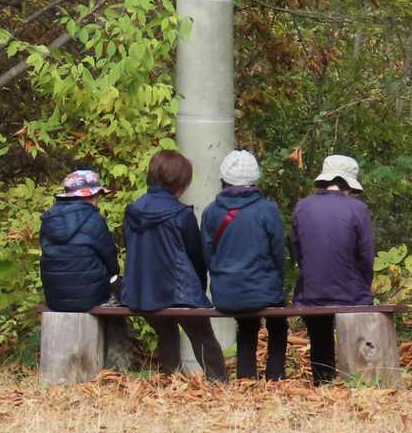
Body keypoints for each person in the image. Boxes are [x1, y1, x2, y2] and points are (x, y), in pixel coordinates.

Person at [122, 149, 224, 380]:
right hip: (179, 291)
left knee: (166, 332)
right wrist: (198, 287)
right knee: (203, 337)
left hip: (141, 292)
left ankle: (172, 378)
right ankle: (219, 385)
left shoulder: (133, 212)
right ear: (181, 183)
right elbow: (196, 256)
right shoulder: (181, 214)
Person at [290, 154, 376, 385]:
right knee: (358, 336)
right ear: (349, 184)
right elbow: (366, 256)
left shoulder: (302, 207)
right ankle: (357, 382)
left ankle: (323, 383)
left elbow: (297, 252)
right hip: (352, 294)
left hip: (312, 293)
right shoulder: (358, 209)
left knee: (320, 338)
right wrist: (364, 287)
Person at [201, 150, 287, 380]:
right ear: (255, 181)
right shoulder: (267, 210)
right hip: (264, 290)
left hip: (226, 293)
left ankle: (246, 377)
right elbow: (279, 253)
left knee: (247, 326)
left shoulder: (211, 212)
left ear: (223, 180)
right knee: (278, 323)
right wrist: (277, 278)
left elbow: (208, 255)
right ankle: (275, 378)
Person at [39, 169, 117, 313]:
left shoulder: (49, 219)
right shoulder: (94, 219)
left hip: (55, 299)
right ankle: (115, 336)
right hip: (91, 298)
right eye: (98, 195)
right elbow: (110, 259)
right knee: (116, 296)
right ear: (91, 195)